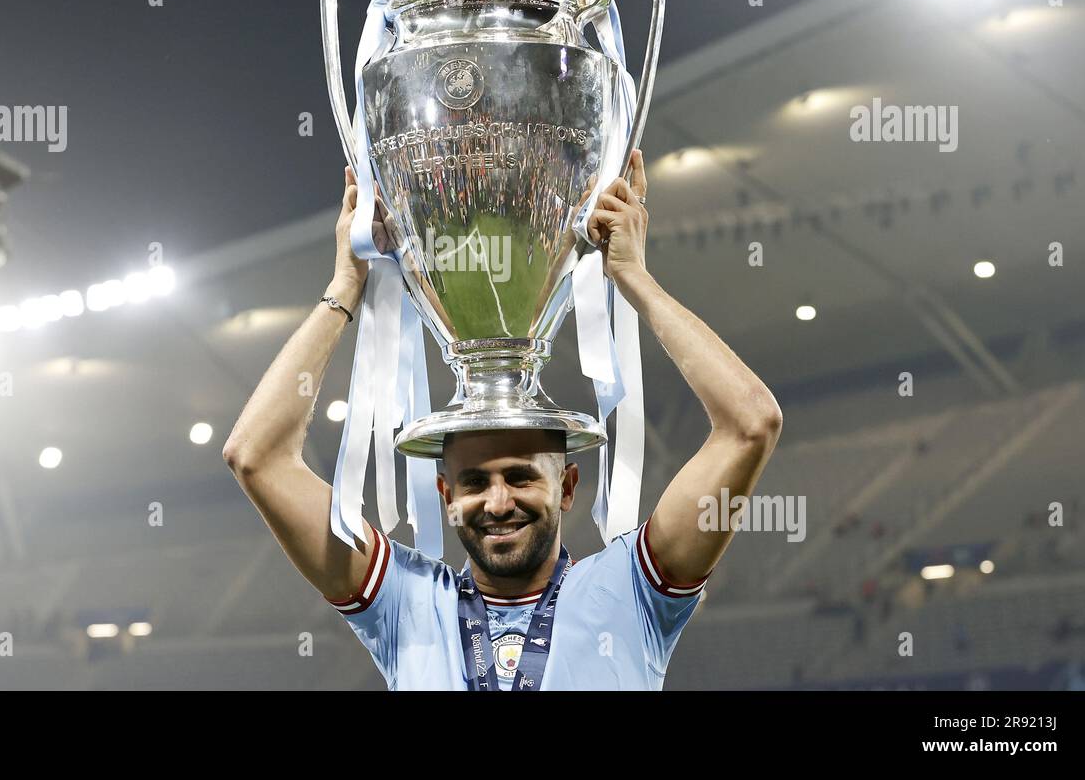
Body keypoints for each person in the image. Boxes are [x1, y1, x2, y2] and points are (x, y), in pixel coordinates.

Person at [223, 150, 783, 690]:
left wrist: (634, 278)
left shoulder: (634, 589)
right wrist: (346, 284)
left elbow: (750, 424)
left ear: (566, 486)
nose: (496, 503)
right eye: (473, 482)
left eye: (519, 475)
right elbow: (255, 457)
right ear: (445, 494)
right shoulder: (406, 601)